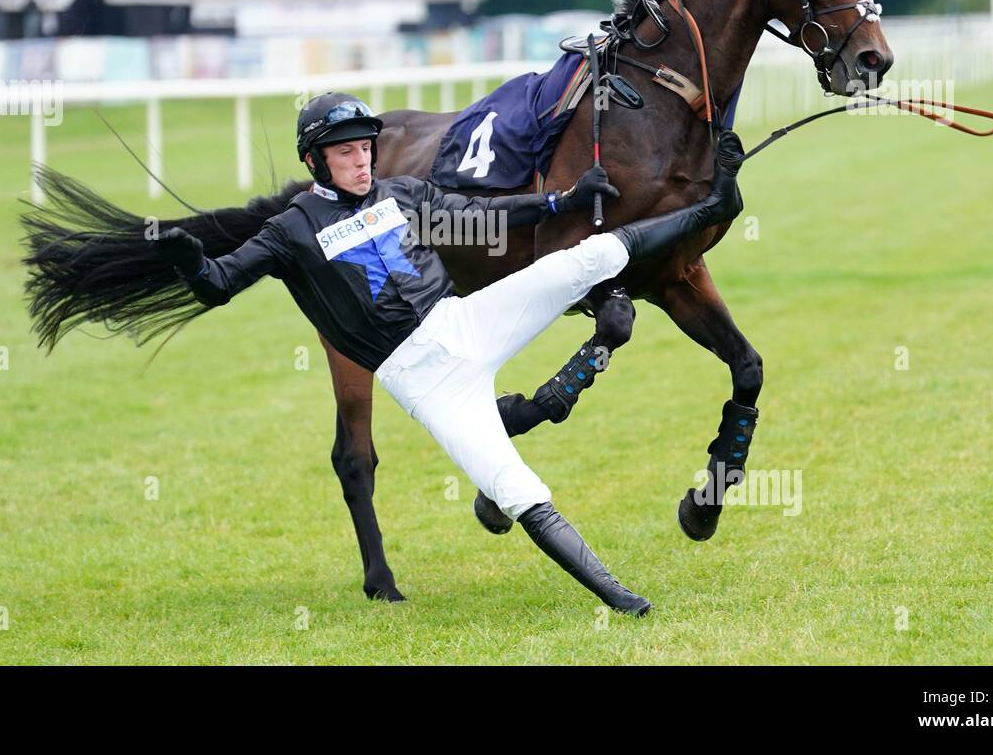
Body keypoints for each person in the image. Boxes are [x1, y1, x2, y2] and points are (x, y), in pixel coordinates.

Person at [151, 92, 746, 616]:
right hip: (425, 379)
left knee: (583, 260)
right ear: (315, 163)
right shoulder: (289, 231)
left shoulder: (401, 193)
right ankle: (622, 598)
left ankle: (713, 207)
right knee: (514, 488)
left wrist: (564, 200)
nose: (361, 163)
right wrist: (188, 263)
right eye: (345, 155)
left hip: (465, 320)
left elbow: (483, 215)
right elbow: (219, 283)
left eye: (365, 150)